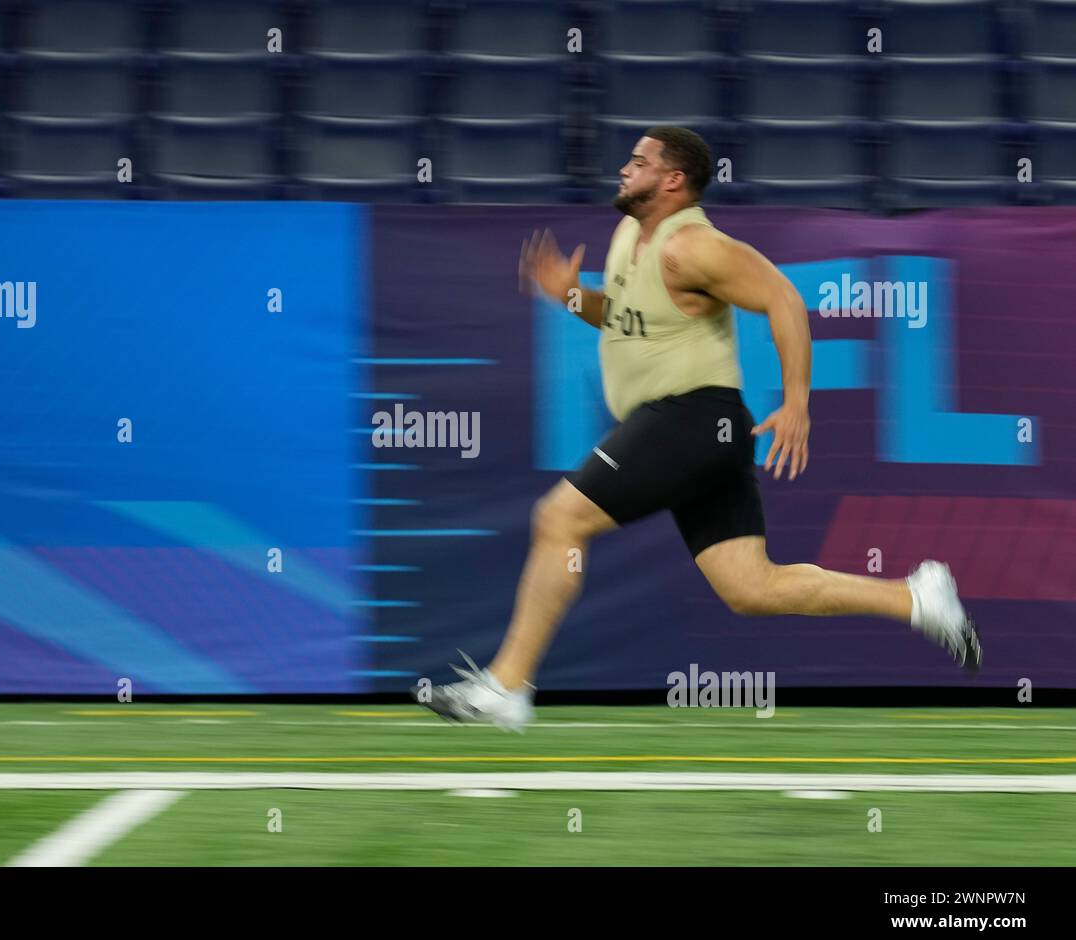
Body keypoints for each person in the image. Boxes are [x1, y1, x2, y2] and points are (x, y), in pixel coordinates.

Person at [420, 126, 981, 731]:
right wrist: (572, 297)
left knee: (560, 518)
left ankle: (508, 686)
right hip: (690, 429)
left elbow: (784, 299)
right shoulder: (630, 235)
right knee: (751, 587)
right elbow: (625, 317)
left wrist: (797, 404)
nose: (623, 170)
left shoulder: (690, 246)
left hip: (692, 417)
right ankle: (918, 599)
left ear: (673, 179)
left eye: (638, 162)